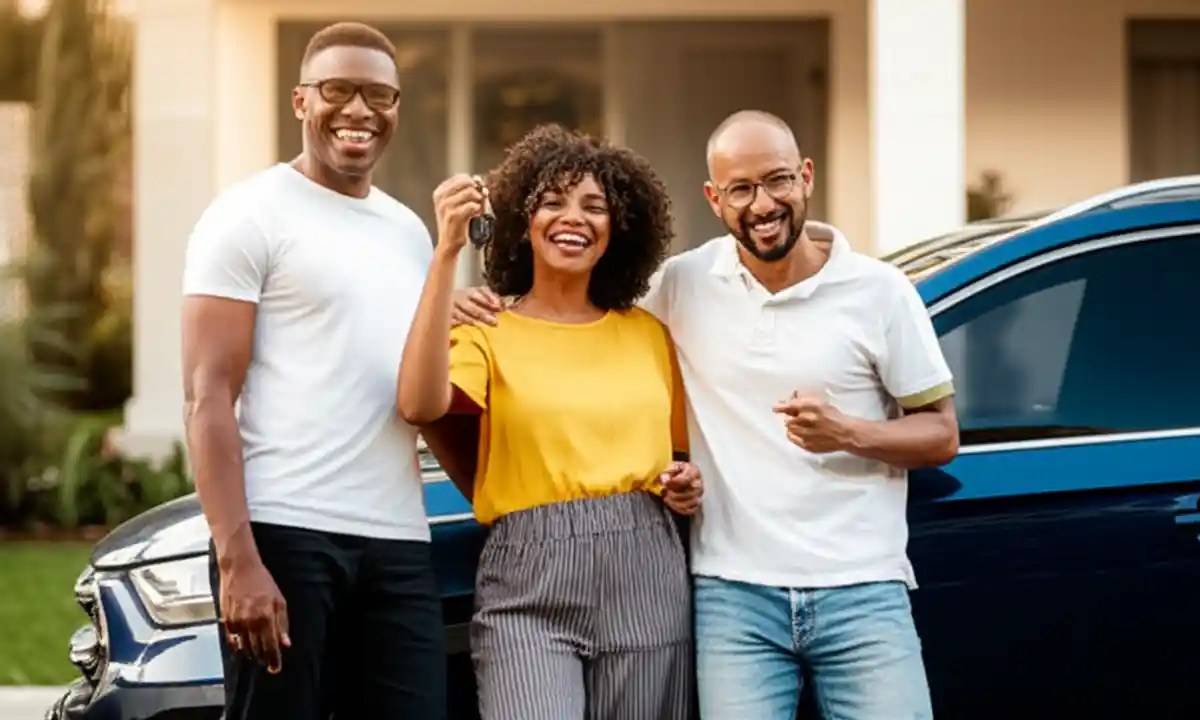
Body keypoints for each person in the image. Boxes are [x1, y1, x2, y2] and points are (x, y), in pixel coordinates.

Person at [452, 110, 959, 719]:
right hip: (731, 595)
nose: (763, 203)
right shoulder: (682, 285)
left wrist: (847, 431)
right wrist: (463, 302)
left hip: (863, 589)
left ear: (806, 176)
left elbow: (940, 431)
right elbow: (569, 317)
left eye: (777, 181)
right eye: (741, 189)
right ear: (715, 198)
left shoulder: (880, 292)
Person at [181, 22, 446, 720]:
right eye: (338, 90)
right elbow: (207, 396)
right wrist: (237, 559)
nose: (359, 110)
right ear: (301, 101)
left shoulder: (409, 233)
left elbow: (414, 383)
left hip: (398, 541)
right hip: (284, 534)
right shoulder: (247, 215)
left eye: (379, 95)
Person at [397, 123, 703, 720]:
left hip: (647, 570)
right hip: (525, 579)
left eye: (595, 206)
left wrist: (686, 487)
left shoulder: (649, 336)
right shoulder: (486, 327)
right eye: (553, 202)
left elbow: (682, 460)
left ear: (619, 230)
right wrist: (446, 255)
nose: (575, 218)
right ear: (521, 221)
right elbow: (418, 406)